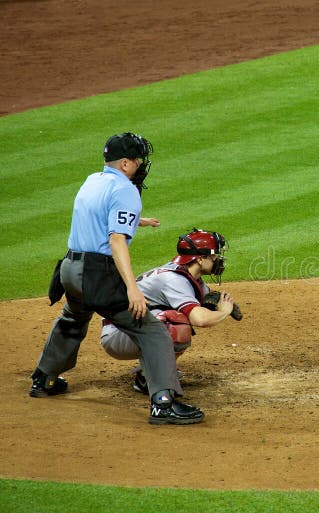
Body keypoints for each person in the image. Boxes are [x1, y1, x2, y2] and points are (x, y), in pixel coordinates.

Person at [29, 132, 205, 425]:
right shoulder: (126, 191)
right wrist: (132, 289)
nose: (140, 164)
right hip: (98, 274)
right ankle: (163, 402)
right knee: (152, 331)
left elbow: (96, 217)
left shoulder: (93, 180)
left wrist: (138, 219)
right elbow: (116, 240)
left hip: (70, 269)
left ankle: (43, 378)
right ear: (125, 163)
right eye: (137, 159)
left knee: (73, 317)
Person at [101, 228, 238, 395]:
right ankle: (149, 378)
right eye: (214, 255)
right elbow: (200, 319)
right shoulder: (175, 280)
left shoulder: (188, 276)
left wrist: (214, 303)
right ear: (201, 259)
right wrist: (223, 312)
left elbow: (203, 300)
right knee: (177, 324)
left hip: (133, 328)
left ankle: (151, 371)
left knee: (178, 318)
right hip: (117, 334)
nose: (218, 259)